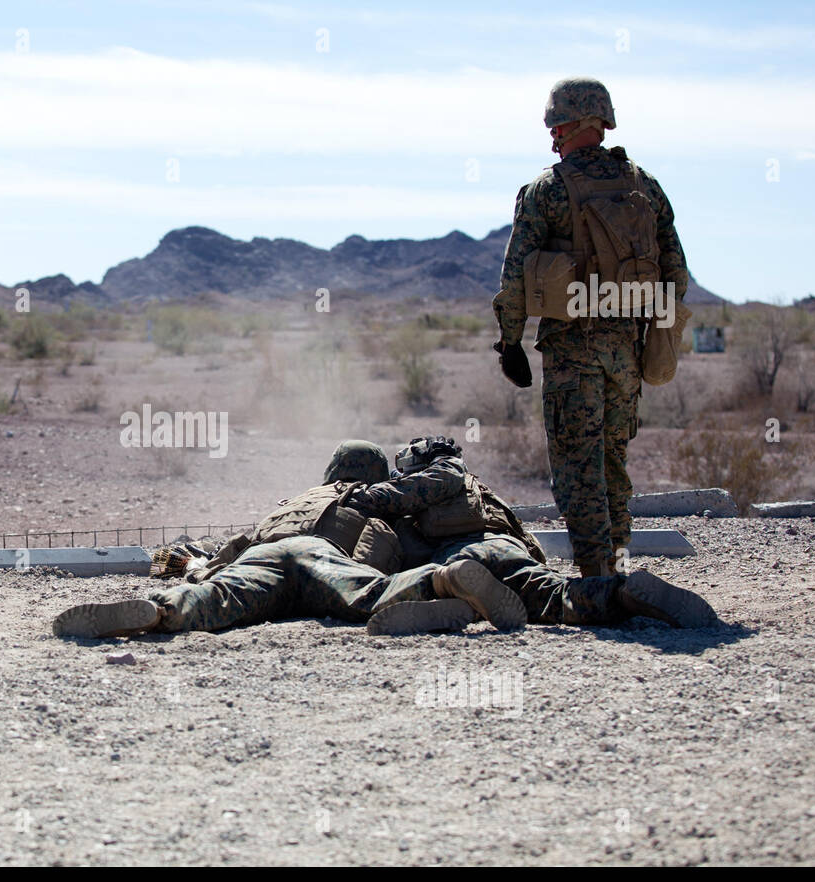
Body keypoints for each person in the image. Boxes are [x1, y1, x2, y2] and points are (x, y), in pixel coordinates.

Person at [491, 77, 691, 577]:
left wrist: (510, 341)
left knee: (577, 467)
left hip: (572, 351)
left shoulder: (547, 190)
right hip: (626, 351)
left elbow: (516, 273)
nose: (552, 136)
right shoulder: (643, 185)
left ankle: (597, 581)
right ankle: (617, 571)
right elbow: (676, 271)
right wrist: (654, 336)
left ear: (579, 123)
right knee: (612, 462)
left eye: (556, 124)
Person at [51, 440, 526, 639]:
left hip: (262, 553)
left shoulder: (293, 500)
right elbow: (390, 556)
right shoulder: (370, 498)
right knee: (367, 597)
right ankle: (446, 585)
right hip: (321, 558)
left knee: (215, 598)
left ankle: (158, 610)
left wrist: (197, 566)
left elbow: (232, 550)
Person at [355, 437, 718, 635]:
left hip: (461, 554)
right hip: (508, 550)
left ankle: (454, 603)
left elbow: (399, 498)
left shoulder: (447, 471)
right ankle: (622, 594)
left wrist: (358, 497)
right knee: (558, 597)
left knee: (427, 582)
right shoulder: (484, 493)